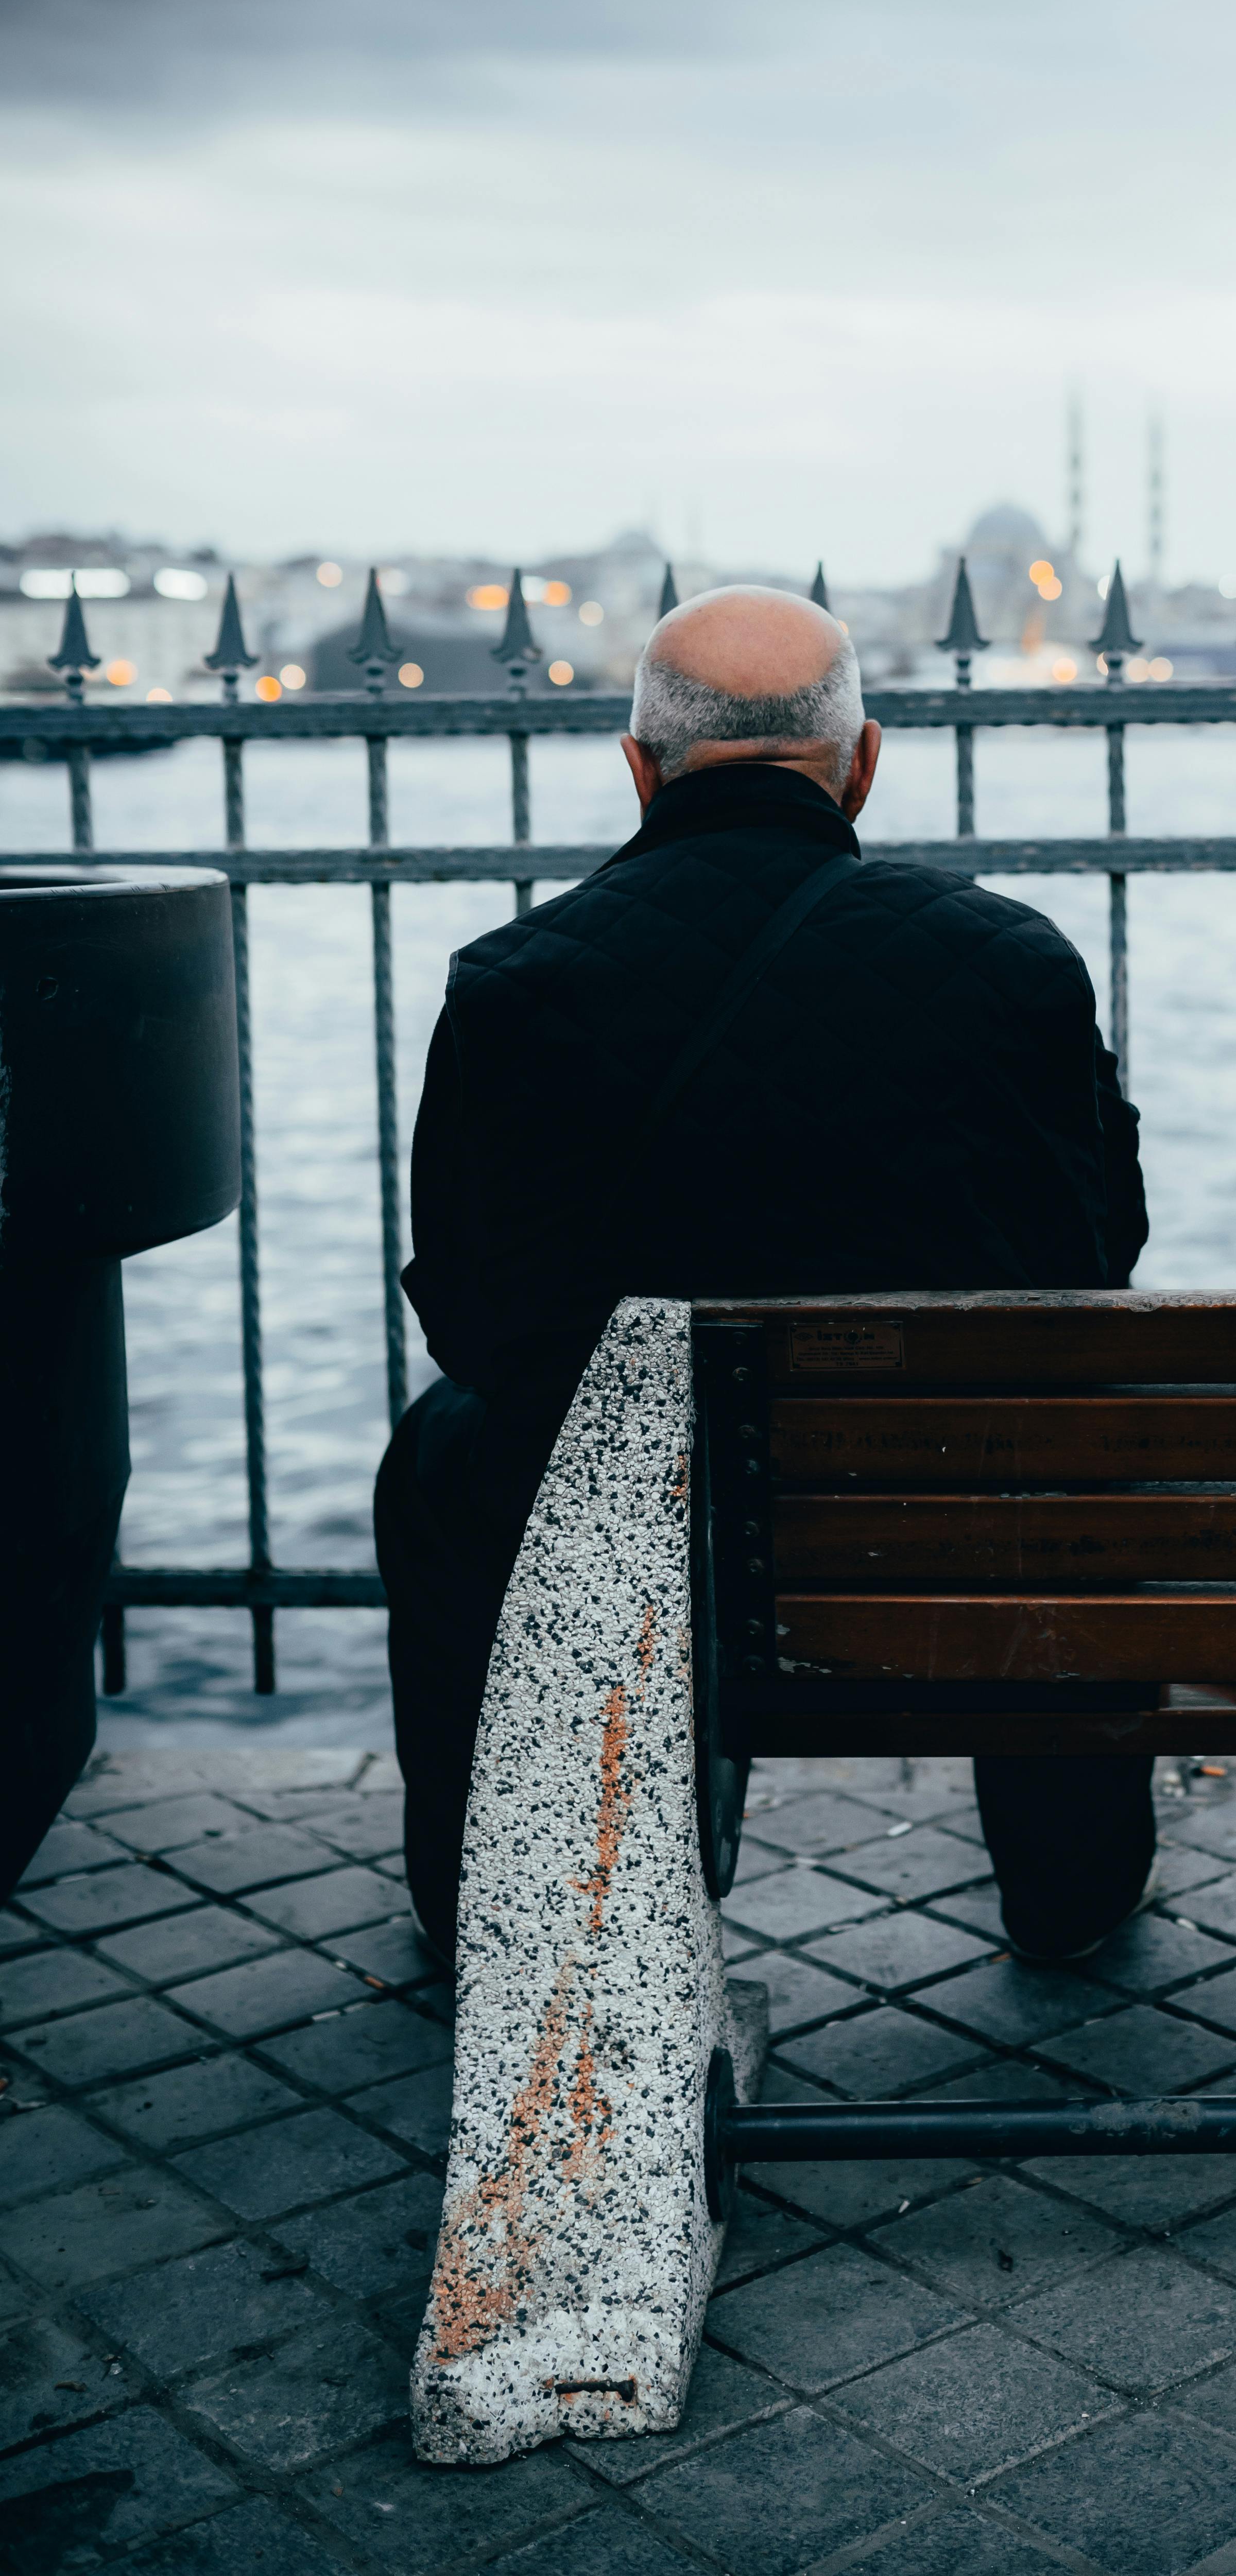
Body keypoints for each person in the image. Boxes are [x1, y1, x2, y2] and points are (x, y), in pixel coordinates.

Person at [377, 582, 1153, 1965]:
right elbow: (1091, 1261)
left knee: (442, 1455)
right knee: (1066, 1445)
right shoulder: (1011, 962)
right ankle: (1071, 1886)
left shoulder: (513, 985)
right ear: (861, 765)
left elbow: (472, 1317)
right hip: (945, 1512)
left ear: (638, 769)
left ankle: (494, 1888)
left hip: (633, 1530)